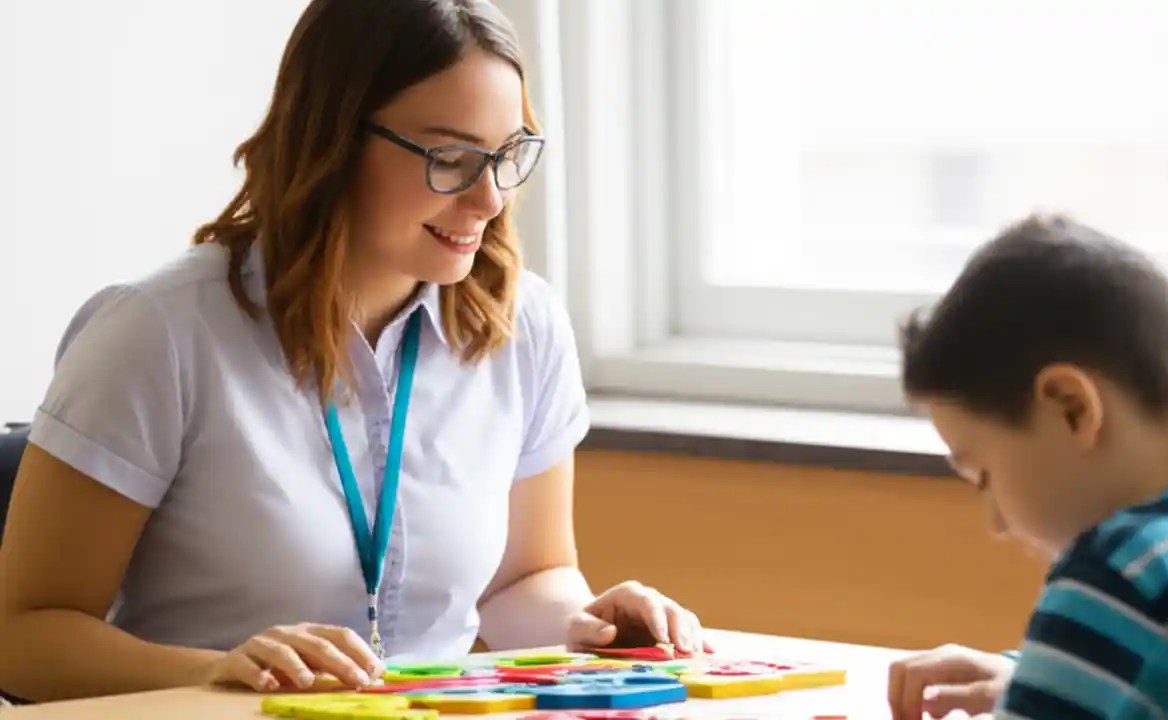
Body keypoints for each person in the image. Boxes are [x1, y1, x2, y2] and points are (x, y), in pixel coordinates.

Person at [0, 0, 706, 703]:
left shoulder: (527, 326)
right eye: (452, 159)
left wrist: (588, 628)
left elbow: (524, 579)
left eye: (507, 156)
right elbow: (21, 637)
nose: (489, 200)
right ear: (331, 141)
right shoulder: (157, 334)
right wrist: (211, 672)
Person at [886, 214, 1168, 719]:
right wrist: (1048, 675)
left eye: (984, 475)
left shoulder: (1123, 571)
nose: (997, 522)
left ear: (1070, 406)